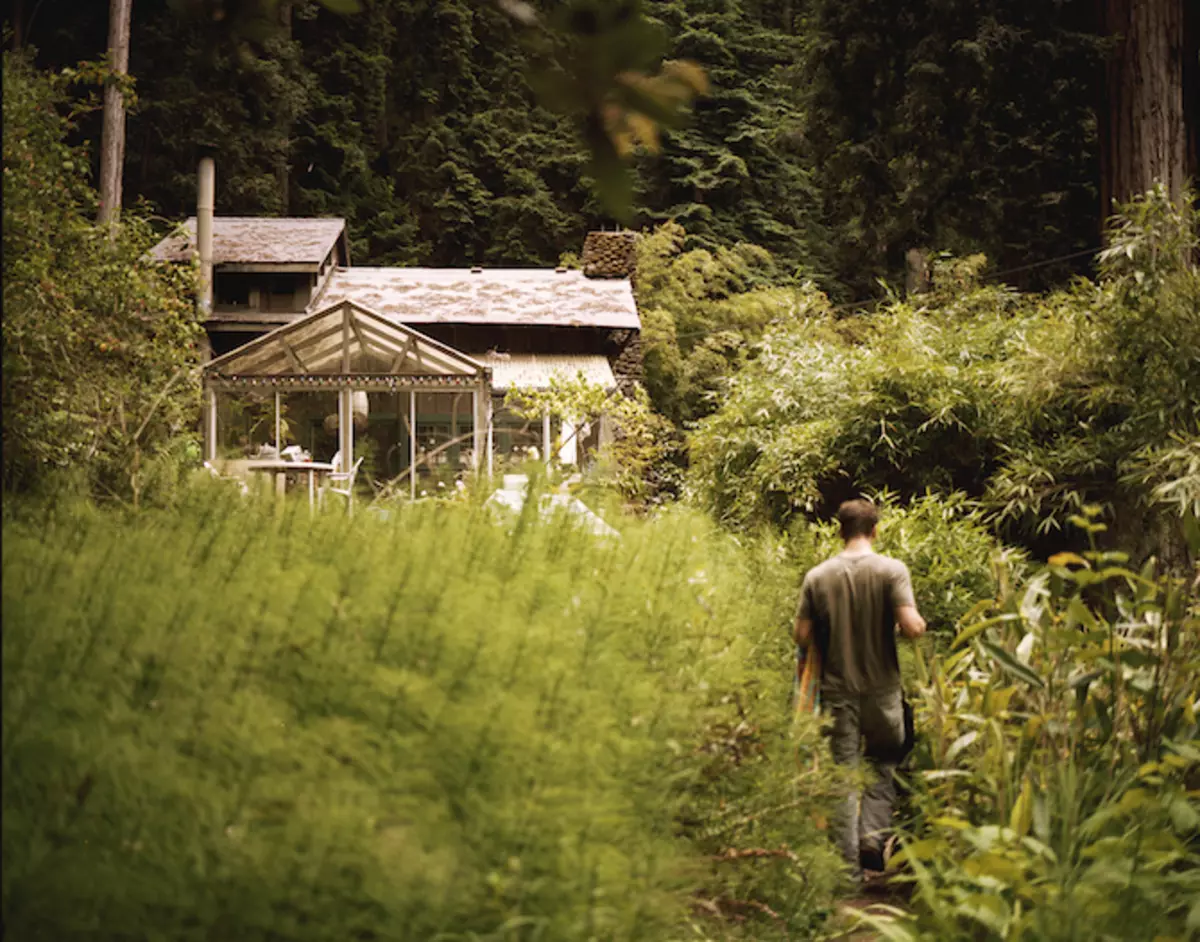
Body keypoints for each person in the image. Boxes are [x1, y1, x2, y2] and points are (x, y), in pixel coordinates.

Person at [793, 498, 926, 884]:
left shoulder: (817, 577)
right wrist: (913, 623)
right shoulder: (891, 571)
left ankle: (848, 871)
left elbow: (800, 635)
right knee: (884, 763)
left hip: (836, 691)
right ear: (875, 530)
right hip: (883, 691)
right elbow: (912, 626)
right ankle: (872, 839)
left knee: (843, 776)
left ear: (840, 530)